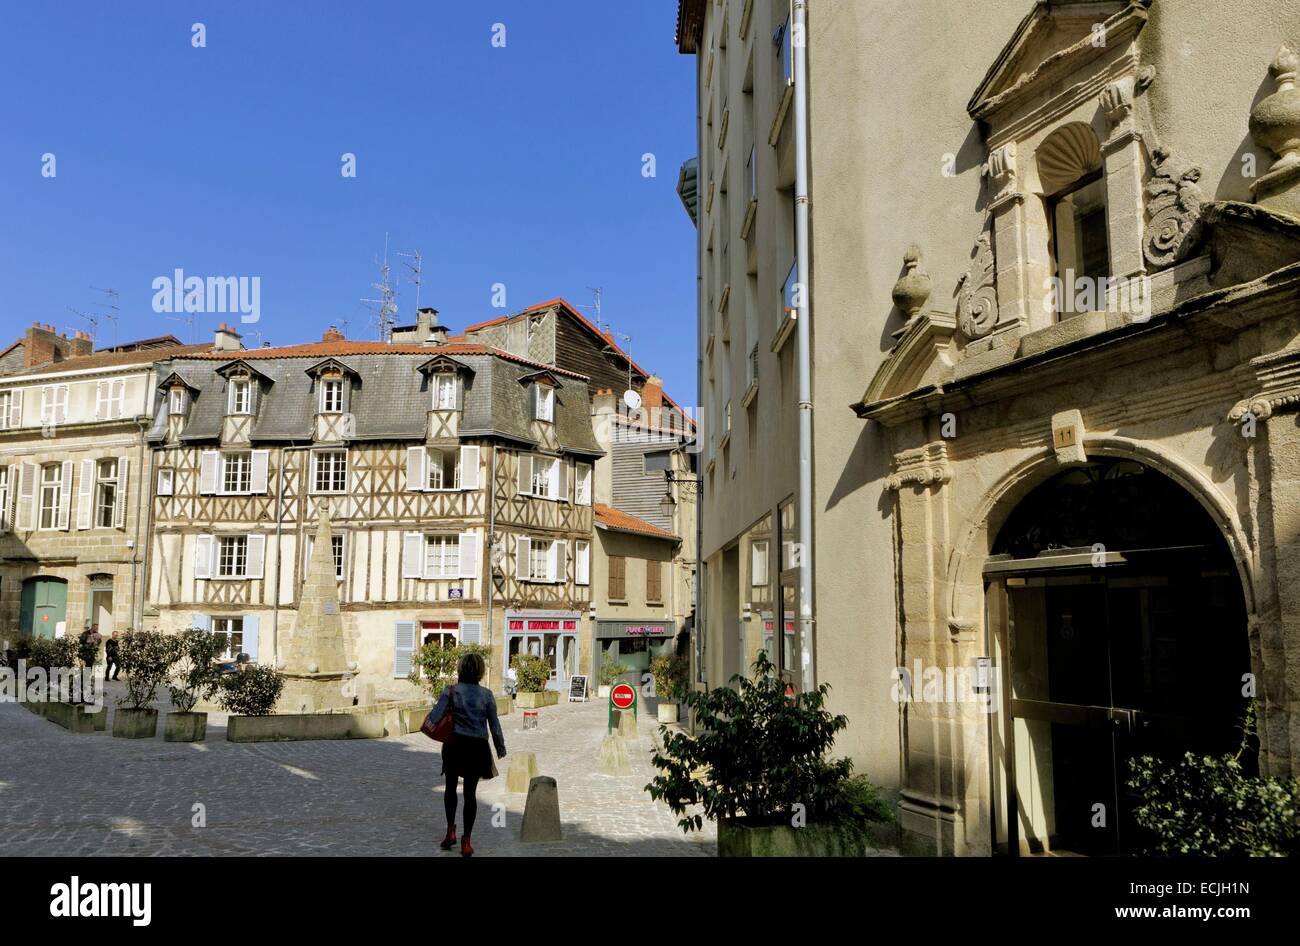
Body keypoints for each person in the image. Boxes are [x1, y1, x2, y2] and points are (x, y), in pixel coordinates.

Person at [426, 652, 506, 857]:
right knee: (470, 795)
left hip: (454, 745)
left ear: (460, 669)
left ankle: (450, 830)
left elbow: (434, 718)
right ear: (480, 671)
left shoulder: (451, 691)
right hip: (476, 748)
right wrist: (500, 748)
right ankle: (466, 841)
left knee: (451, 789)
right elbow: (495, 726)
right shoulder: (487, 695)